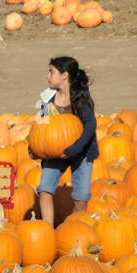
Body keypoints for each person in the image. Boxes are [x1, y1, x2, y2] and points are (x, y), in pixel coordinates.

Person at [36, 56, 99, 228]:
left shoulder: (80, 97)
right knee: (44, 190)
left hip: (81, 151)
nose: (48, 76)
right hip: (55, 151)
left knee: (81, 199)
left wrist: (75, 148)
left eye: (51, 72)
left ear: (64, 75)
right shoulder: (47, 98)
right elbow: (41, 126)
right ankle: (47, 230)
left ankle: (69, 230)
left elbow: (91, 125)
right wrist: (33, 147)